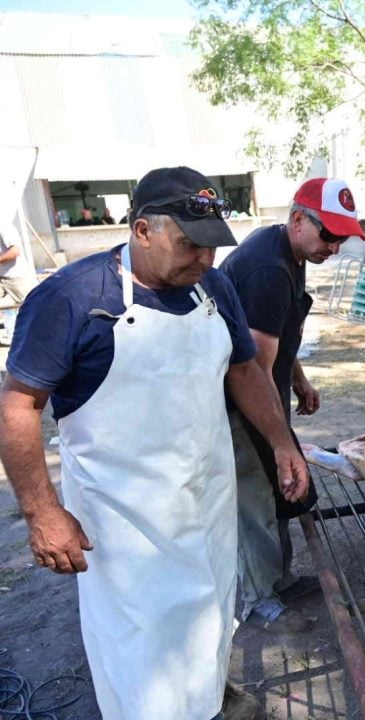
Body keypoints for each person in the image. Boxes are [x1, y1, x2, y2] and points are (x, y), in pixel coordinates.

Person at [0, 166, 309, 720]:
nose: (205, 260)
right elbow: (18, 406)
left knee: (210, 610)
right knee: (141, 639)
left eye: (212, 247)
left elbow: (244, 370)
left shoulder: (211, 288)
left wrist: (282, 443)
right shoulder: (71, 298)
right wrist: (43, 512)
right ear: (142, 231)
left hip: (206, 495)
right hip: (123, 519)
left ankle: (207, 701)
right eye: (190, 245)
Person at [221, 177, 362, 633]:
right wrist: (280, 439)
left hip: (264, 390)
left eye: (342, 238)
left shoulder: (289, 250)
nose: (335, 247)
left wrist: (298, 378)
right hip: (239, 401)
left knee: (281, 486)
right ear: (299, 219)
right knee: (257, 491)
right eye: (329, 235)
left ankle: (278, 578)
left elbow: (278, 336)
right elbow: (254, 371)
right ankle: (259, 597)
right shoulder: (268, 270)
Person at [0, 226, 37, 303]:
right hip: (2, 279)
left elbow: (15, 251)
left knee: (31, 306)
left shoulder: (4, 227)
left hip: (17, 279)